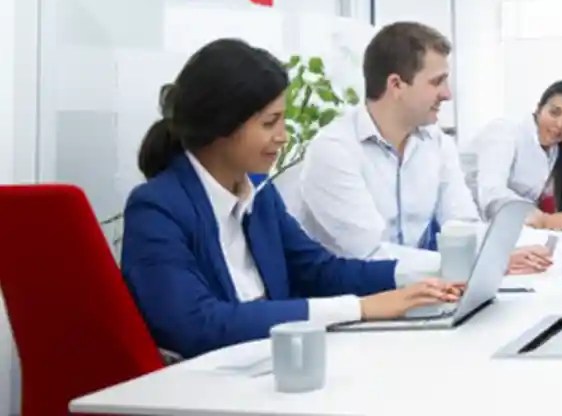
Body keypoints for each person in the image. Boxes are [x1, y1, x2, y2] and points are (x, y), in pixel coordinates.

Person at [121, 39, 462, 359]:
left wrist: (425, 279)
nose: (282, 137)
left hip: (277, 365)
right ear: (220, 126)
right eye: (270, 123)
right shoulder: (157, 208)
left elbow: (319, 271)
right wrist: (361, 308)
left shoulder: (260, 196)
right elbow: (196, 325)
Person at [297, 22, 552, 277]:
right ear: (396, 85)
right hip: (357, 299)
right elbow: (370, 255)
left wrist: (509, 251)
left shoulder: (436, 143)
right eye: (437, 82)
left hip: (419, 292)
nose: (447, 94)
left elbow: (463, 224)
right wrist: (478, 262)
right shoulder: (334, 150)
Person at [472, 80, 562, 231]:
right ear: (539, 109)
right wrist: (545, 220)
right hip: (471, 230)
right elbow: (491, 194)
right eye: (554, 112)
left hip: (510, 232)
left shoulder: (555, 149)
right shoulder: (504, 131)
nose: (560, 124)